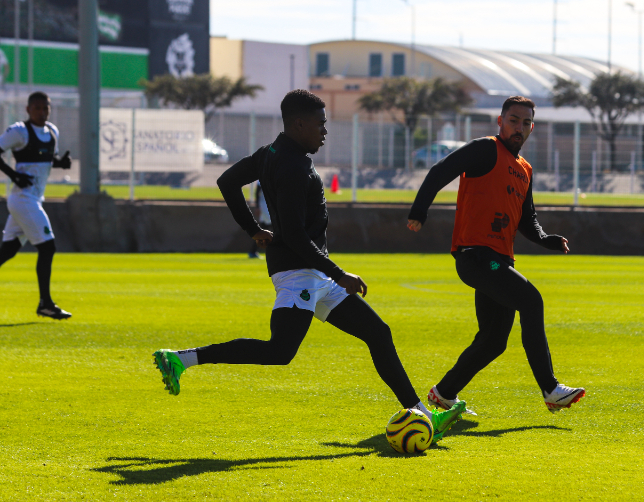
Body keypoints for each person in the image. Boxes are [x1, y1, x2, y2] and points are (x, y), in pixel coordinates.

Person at [153, 89, 465, 441]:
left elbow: (227, 182)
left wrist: (253, 229)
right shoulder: (292, 165)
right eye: (320, 125)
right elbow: (296, 236)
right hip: (299, 271)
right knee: (280, 351)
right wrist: (339, 273)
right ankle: (182, 359)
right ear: (299, 124)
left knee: (378, 333)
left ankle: (421, 414)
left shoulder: (272, 152)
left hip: (313, 272)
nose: (325, 132)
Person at [407, 95, 585, 415]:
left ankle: (444, 393)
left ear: (532, 127)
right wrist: (419, 211)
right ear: (500, 121)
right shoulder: (486, 148)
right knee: (531, 300)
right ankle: (550, 388)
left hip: (498, 260)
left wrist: (546, 239)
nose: (520, 127)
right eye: (514, 120)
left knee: (493, 340)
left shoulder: (525, 169)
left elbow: (526, 220)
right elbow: (440, 170)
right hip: (476, 255)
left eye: (526, 122)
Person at [0, 92, 72, 319]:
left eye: (45, 108)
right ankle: (46, 304)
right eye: (37, 108)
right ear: (28, 109)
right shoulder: (19, 131)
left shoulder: (52, 131)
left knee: (9, 250)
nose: (42, 113)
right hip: (23, 199)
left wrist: (60, 163)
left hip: (33, 199)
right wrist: (14, 175)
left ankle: (45, 304)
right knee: (48, 247)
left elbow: (48, 158)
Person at [247, 182, 271, 259]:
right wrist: (257, 206)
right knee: (266, 227)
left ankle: (253, 251)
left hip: (271, 204)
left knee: (266, 227)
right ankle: (253, 251)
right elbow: (257, 192)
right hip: (265, 205)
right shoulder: (262, 174)